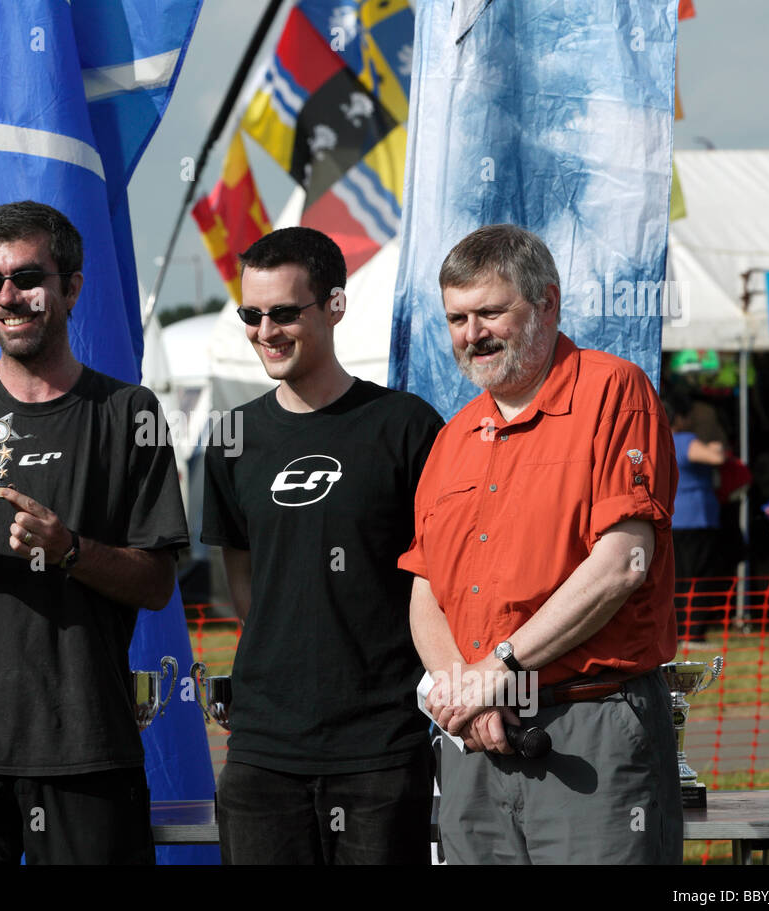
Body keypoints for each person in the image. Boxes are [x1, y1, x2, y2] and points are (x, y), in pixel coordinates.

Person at [0, 200, 187, 865]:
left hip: (84, 747)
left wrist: (69, 550)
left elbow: (159, 583)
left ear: (71, 287)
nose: (8, 297)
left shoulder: (130, 413)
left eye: (27, 277)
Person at [401, 224, 682, 864]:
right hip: (476, 740)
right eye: (457, 318)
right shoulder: (452, 438)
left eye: (491, 311)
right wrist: (465, 698)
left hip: (589, 731)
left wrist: (494, 676)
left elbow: (620, 564)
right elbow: (425, 591)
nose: (473, 333)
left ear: (547, 302)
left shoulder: (613, 391)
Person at [199, 227, 443, 864]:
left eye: (284, 312)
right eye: (251, 315)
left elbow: (440, 578)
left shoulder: (408, 426)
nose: (266, 331)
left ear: (335, 304)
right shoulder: (232, 437)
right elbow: (244, 582)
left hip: (381, 747)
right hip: (262, 750)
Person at [664, 388, 727, 639]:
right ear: (679, 418)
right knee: (698, 578)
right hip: (696, 520)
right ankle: (694, 632)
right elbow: (716, 458)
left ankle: (678, 630)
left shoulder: (659, 439)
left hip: (673, 518)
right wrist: (716, 445)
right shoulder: (686, 439)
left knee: (676, 577)